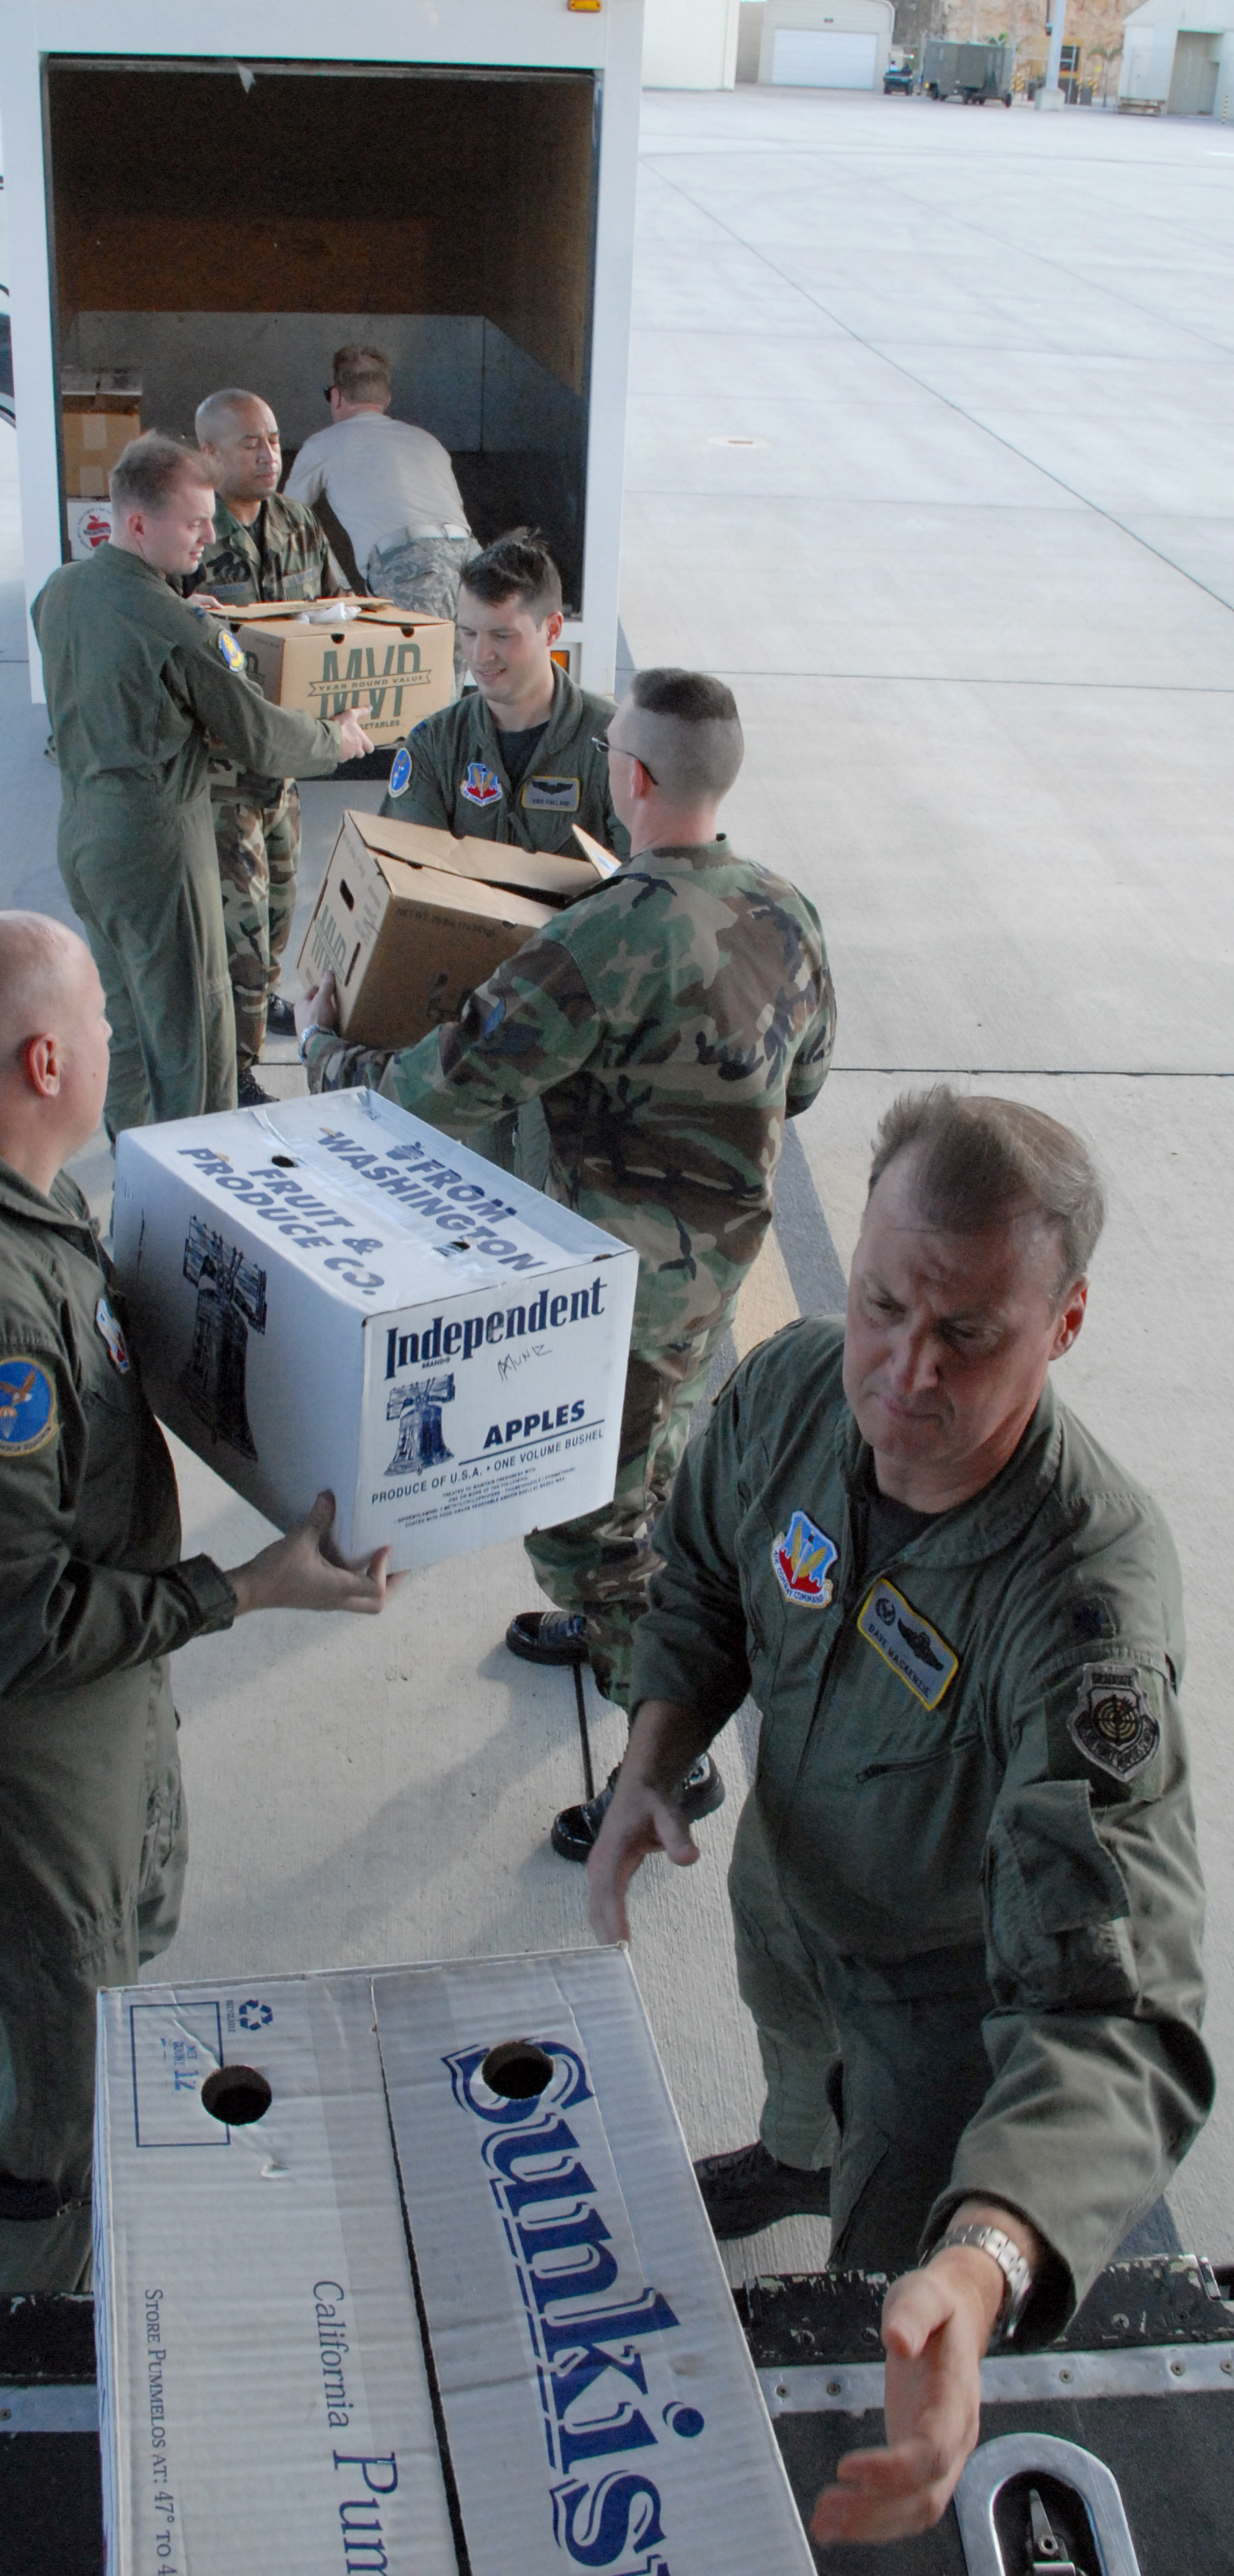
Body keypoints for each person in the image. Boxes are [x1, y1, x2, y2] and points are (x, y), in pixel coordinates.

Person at [586, 1089, 1211, 2550]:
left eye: (968, 1335)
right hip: (793, 1894)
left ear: (1059, 1329)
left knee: (882, 2321)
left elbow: (1117, 2008)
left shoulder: (1083, 1605)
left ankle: (875, 2229)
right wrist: (653, 1758)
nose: (904, 1371)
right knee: (793, 2061)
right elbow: (701, 1580)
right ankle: (799, 2150)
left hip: (945, 2015)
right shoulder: (795, 1385)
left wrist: (988, 2256)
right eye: (880, 1304)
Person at [0, 911, 399, 2292]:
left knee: (98, 1936)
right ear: (43, 1063)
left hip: (64, 1677)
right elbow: (4, 1636)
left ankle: (32, 2031)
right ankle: (5, 2311)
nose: (109, 1043)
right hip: (9, 1716)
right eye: (92, 1025)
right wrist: (245, 1588)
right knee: (59, 2058)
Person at [296, 670, 834, 1854]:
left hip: (612, 1293)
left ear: (628, 778)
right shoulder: (787, 909)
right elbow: (804, 1081)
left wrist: (323, 1045)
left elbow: (437, 1090)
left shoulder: (598, 937)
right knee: (655, 1475)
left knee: (581, 1525)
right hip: (710, 1275)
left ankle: (665, 1760)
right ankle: (607, 1635)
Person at [30, 433, 371, 1137]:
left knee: (127, 1022)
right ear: (137, 523)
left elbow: (111, 650)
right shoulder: (177, 626)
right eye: (192, 522)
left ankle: (133, 1149)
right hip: (158, 852)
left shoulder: (62, 590)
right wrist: (334, 739)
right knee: (195, 1034)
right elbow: (260, 735)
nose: (208, 535)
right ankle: (196, 1173)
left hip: (85, 837)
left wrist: (176, 606)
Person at [194, 388, 351, 1088]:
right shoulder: (192, 531)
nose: (269, 455)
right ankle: (239, 1069)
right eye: (251, 443)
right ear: (210, 454)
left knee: (281, 911)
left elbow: (343, 608)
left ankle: (258, 1012)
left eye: (275, 439)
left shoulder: (294, 520)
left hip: (283, 765)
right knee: (240, 936)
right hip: (222, 773)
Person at [381, 530, 625, 859]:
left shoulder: (615, 745)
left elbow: (644, 881)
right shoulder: (434, 745)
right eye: (468, 633)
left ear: (552, 629)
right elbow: (408, 876)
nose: (481, 655)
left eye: (501, 635)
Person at [284, 345, 480, 649]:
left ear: (335, 396)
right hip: (473, 563)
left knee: (414, 681)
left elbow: (285, 518)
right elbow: (458, 512)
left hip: (413, 569)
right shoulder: (428, 442)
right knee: (453, 680)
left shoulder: (323, 445)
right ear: (386, 399)